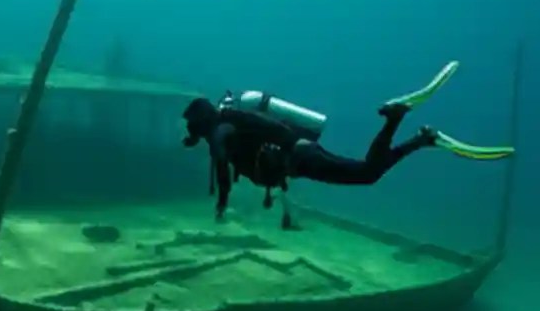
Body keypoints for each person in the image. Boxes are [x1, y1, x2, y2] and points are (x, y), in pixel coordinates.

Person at [181, 61, 514, 228]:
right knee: (367, 173)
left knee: (366, 173)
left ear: (202, 122)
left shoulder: (220, 131)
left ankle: (396, 117)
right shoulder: (227, 121)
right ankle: (424, 139)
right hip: (300, 154)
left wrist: (222, 202)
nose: (192, 130)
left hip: (300, 158)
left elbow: (223, 152)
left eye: (192, 126)